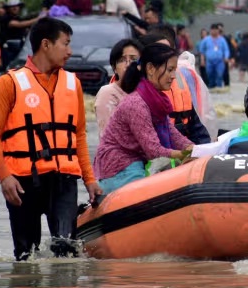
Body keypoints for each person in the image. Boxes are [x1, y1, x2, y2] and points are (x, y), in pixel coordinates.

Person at [0, 17, 102, 261]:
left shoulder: (73, 83)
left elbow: (78, 135)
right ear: (46, 45)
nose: (70, 51)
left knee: (66, 252)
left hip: (63, 181)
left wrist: (90, 179)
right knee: (26, 256)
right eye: (66, 44)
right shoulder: (9, 83)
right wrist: (4, 176)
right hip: (22, 182)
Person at [93, 43, 194, 194]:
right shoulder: (137, 103)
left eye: (175, 70)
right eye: (170, 70)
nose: (173, 76)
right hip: (119, 169)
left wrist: (196, 149)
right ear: (151, 69)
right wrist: (183, 154)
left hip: (137, 164)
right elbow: (153, 150)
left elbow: (173, 135)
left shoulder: (155, 100)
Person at [95, 38, 142, 138]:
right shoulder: (108, 93)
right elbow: (110, 137)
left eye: (134, 59)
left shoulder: (147, 92)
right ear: (114, 68)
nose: (128, 65)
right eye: (122, 60)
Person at [0, 0, 42, 66]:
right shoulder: (5, 18)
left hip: (20, 48)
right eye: (12, 7)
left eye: (16, 6)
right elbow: (20, 24)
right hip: (9, 49)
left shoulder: (19, 18)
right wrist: (38, 19)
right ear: (8, 8)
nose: (15, 8)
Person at [198, 24, 230, 89]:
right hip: (209, 61)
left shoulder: (222, 40)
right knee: (209, 74)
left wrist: (226, 57)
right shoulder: (206, 40)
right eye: (213, 30)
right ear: (210, 30)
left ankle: (218, 87)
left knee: (219, 74)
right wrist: (202, 60)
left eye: (216, 30)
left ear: (218, 30)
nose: (214, 31)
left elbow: (226, 50)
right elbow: (202, 51)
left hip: (220, 61)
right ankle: (211, 87)